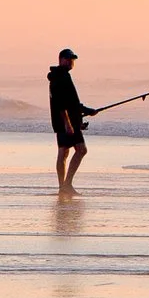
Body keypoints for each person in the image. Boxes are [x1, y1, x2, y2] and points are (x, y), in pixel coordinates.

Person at [48, 48, 92, 195]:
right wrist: (68, 123)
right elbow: (61, 104)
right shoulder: (60, 77)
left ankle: (63, 187)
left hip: (65, 121)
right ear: (60, 59)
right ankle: (66, 185)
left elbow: (71, 102)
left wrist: (85, 111)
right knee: (81, 150)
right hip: (66, 122)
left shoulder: (60, 76)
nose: (71, 61)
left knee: (64, 152)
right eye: (68, 59)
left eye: (72, 59)